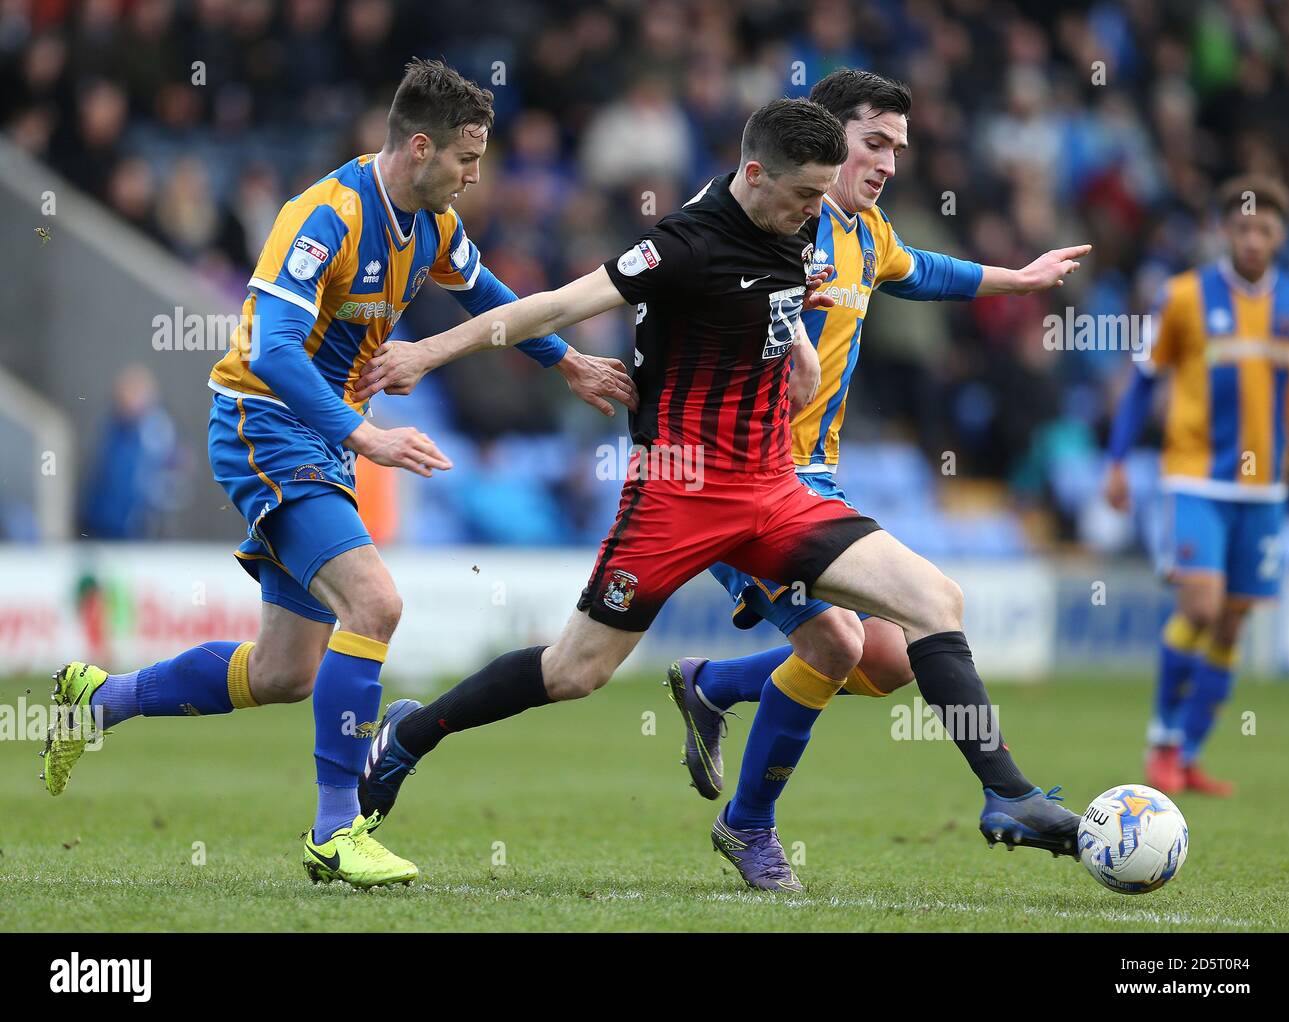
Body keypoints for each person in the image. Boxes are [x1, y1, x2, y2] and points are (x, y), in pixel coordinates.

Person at [354, 96, 1084, 892]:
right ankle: (409, 733)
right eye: (806, 196)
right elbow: (556, 304)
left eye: (822, 196)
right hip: (678, 496)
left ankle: (1006, 793)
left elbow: (788, 311)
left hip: (773, 488)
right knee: (574, 673)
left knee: (933, 602)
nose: (817, 213)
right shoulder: (683, 245)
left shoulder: (800, 224)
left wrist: (798, 348)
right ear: (756, 174)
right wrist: (429, 349)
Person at [43, 59, 634, 890]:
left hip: (317, 439)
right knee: (378, 603)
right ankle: (335, 829)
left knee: (286, 672)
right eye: (466, 160)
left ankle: (97, 700)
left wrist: (564, 357)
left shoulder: (429, 222)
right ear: (419, 145)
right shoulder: (325, 215)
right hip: (263, 422)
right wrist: (366, 435)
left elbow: (489, 297)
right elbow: (273, 351)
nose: (475, 177)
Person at [666, 70, 1093, 890]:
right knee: (835, 641)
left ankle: (711, 683)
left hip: (812, 480)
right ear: (822, 141)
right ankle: (749, 825)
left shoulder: (866, 232)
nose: (890, 161)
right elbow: (675, 281)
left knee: (892, 659)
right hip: (735, 476)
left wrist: (1021, 278)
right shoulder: (766, 221)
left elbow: (922, 270)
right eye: (875, 142)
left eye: (898, 146)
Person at [1104, 175, 1289, 798]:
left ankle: (1189, 756)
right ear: (1224, 230)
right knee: (1200, 607)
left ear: (1280, 236)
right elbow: (1141, 380)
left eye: (1264, 229)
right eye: (1242, 227)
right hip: (1195, 478)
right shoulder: (1182, 297)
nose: (1252, 239)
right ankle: (1162, 741)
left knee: (1233, 624)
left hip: (1265, 487)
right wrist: (1115, 461)